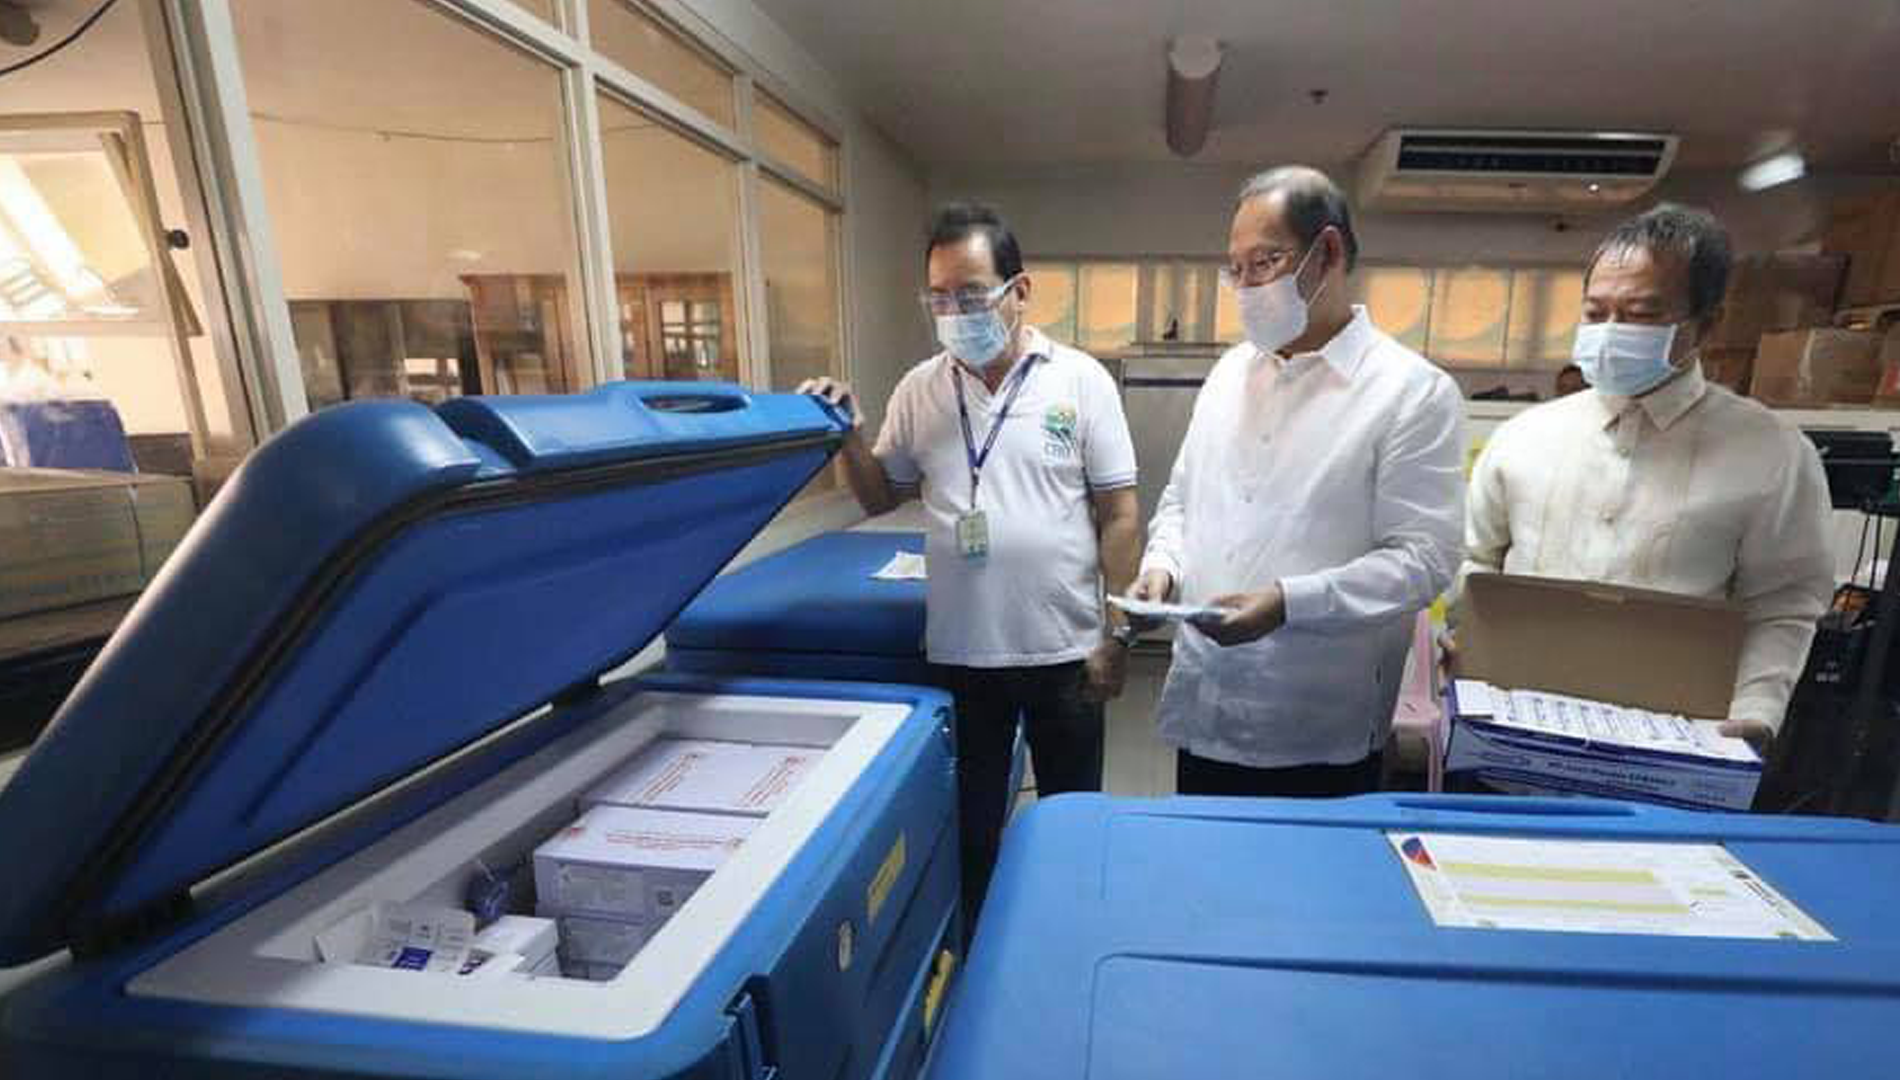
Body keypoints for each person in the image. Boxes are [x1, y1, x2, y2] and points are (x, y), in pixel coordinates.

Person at [799, 201, 1140, 924]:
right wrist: (848, 435)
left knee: (1074, 824)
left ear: (1020, 291)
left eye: (973, 294)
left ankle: (1072, 940)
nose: (956, 312)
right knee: (972, 830)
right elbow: (876, 495)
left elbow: (1120, 515)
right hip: (964, 655)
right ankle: (984, 961)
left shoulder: (1080, 382)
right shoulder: (921, 389)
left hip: (1067, 651)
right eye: (940, 298)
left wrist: (1118, 632)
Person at [1126, 166, 1465, 797]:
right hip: (1208, 704)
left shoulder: (1410, 392)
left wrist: (1288, 601)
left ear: (1328, 252)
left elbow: (1425, 560)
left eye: (1264, 263)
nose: (1246, 286)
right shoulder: (1231, 372)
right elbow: (1182, 499)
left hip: (1317, 729)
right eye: (1236, 270)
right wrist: (1163, 567)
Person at [1461, 203, 1833, 749]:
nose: (1611, 332)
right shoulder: (1526, 436)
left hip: (1673, 743)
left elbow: (1785, 600)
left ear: (1708, 322)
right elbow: (1477, 561)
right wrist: (1458, 644)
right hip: (1514, 729)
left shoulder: (1771, 453)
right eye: (1595, 313)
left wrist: (1757, 711)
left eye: (1640, 314)